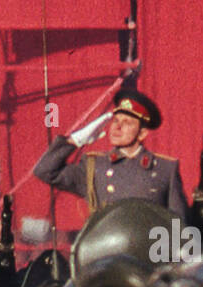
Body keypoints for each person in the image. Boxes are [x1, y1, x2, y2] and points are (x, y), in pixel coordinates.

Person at [33, 89, 189, 219]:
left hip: (148, 252)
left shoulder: (164, 169)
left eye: (127, 123)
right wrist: (75, 140)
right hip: (106, 252)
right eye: (115, 121)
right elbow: (45, 171)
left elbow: (179, 223)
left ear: (142, 133)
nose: (117, 127)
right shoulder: (95, 166)